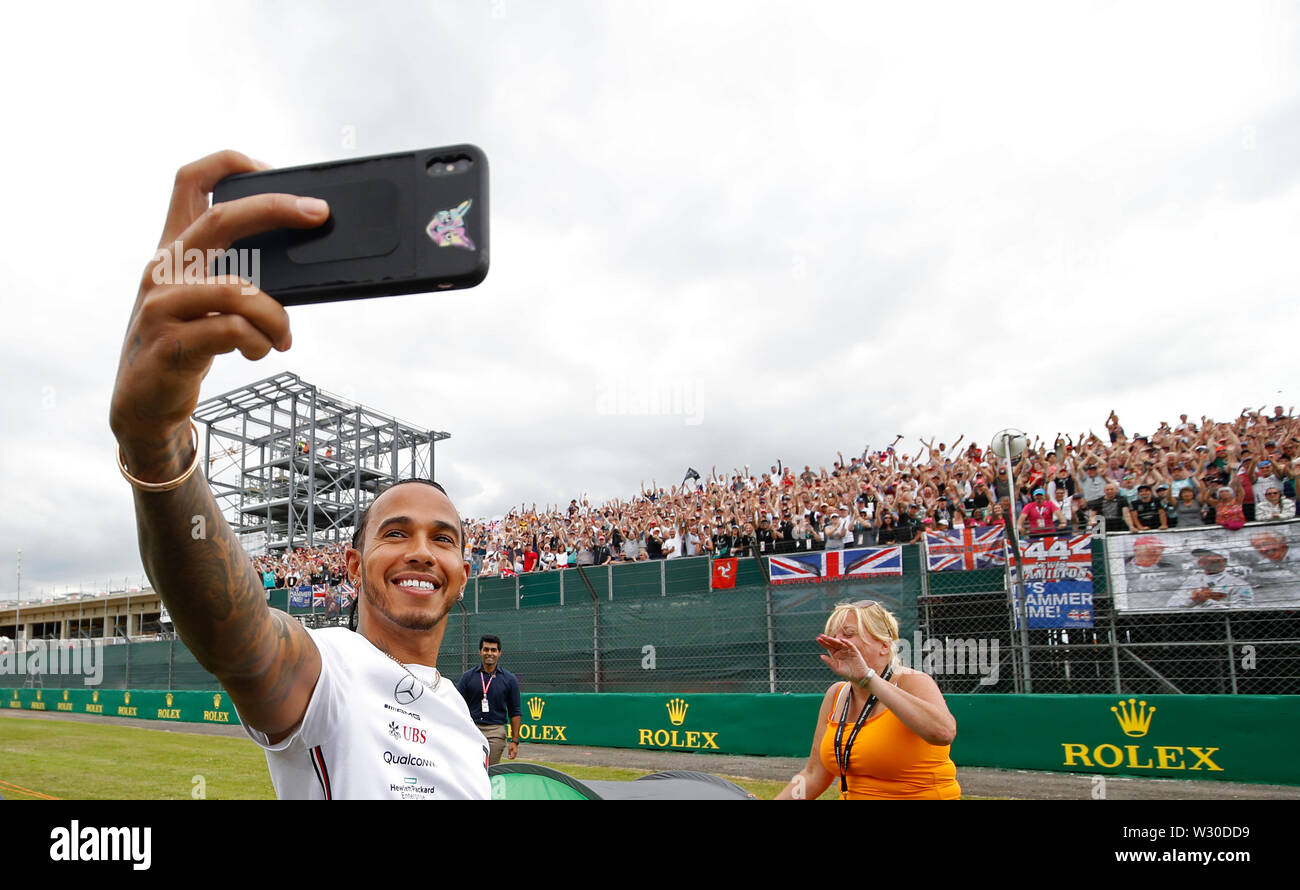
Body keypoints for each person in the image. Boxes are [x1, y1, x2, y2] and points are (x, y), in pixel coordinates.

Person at [108, 152, 489, 799]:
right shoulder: (330, 672)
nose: (422, 550)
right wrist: (157, 445)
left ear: (464, 571)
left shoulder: (460, 716)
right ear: (349, 564)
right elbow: (245, 642)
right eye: (395, 533)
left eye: (443, 538)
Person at [776, 601, 960, 800]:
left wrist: (869, 679)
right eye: (833, 635)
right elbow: (813, 775)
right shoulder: (837, 695)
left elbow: (943, 733)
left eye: (848, 634)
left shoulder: (912, 682)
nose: (838, 641)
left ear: (884, 645)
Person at [456, 635, 522, 765]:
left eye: (493, 650)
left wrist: (515, 741)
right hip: (472, 729)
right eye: (486, 649)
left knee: (489, 770)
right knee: (470, 768)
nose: (489, 653)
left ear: (499, 653)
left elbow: (515, 711)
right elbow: (457, 705)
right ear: (480, 652)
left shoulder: (509, 679)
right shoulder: (467, 677)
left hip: (495, 731)